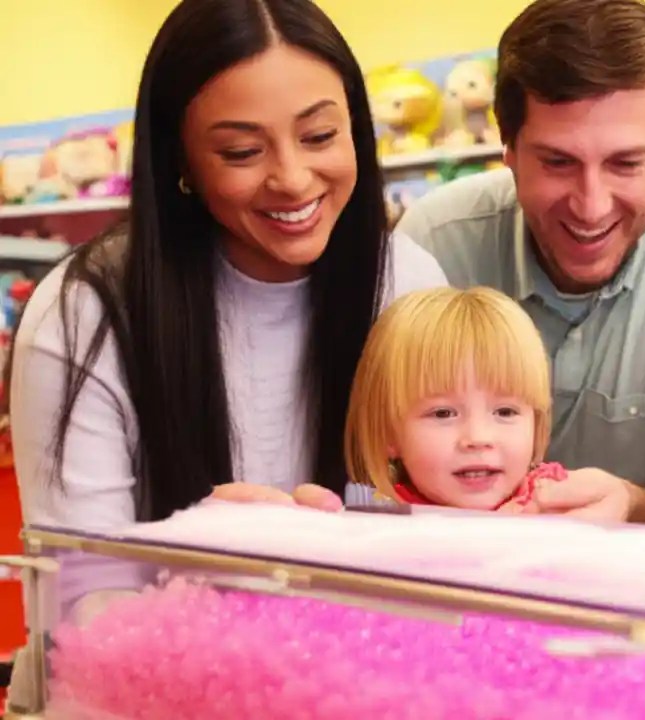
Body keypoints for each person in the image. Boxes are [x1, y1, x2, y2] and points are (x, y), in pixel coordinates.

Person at [6, 1, 447, 711]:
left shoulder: (409, 284)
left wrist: (353, 522)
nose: (295, 180)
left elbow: (428, 521)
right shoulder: (87, 311)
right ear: (180, 161)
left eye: (321, 135)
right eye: (243, 152)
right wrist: (205, 572)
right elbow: (84, 601)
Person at [395, 0, 645, 525]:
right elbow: (382, 456)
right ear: (507, 146)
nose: (592, 205)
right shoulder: (432, 245)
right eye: (557, 162)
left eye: (626, 163)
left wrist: (639, 507)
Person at [345, 286, 568, 511]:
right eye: (443, 413)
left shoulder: (561, 506)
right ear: (388, 433)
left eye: (505, 412)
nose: (478, 438)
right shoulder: (372, 529)